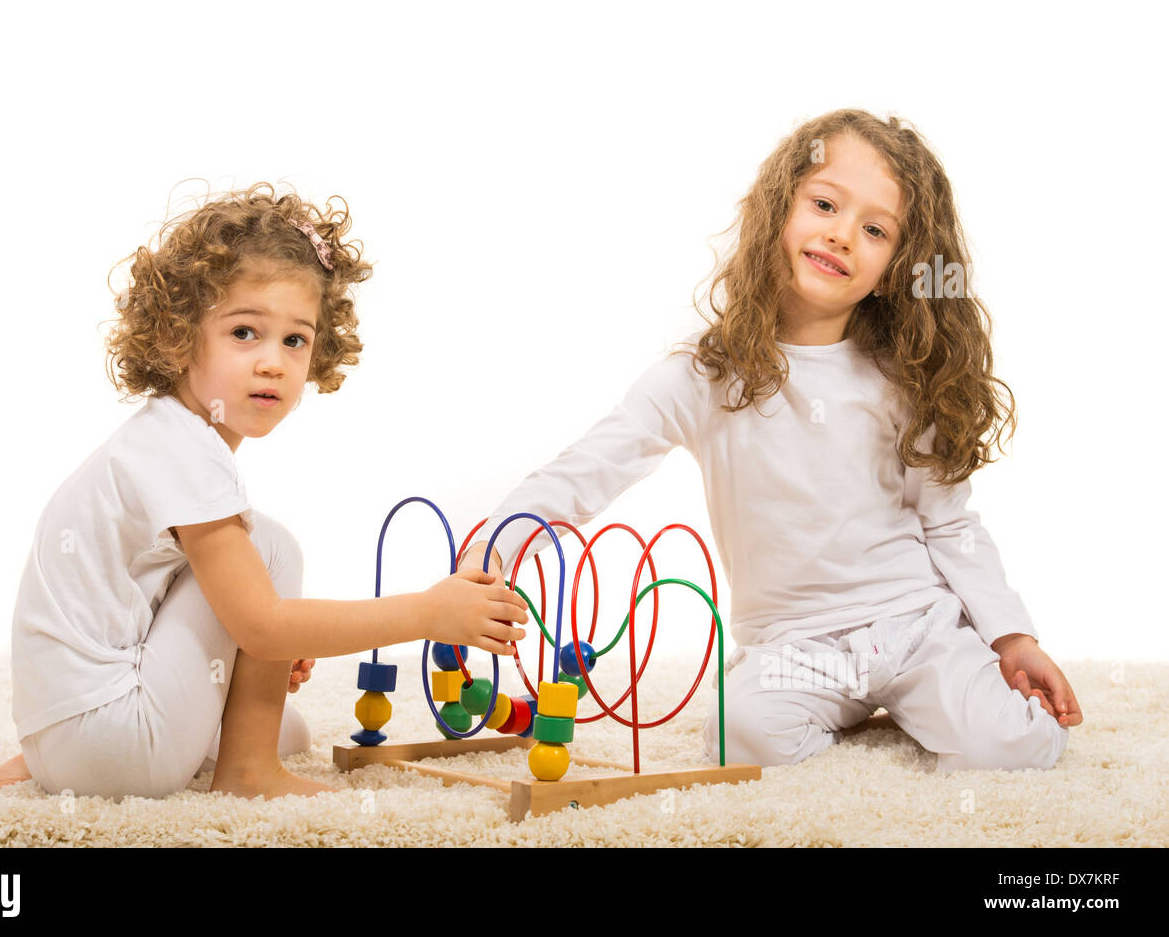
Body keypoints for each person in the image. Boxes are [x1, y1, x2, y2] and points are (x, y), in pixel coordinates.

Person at [459, 110, 1081, 771]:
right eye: (824, 204)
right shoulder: (703, 378)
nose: (842, 235)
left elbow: (949, 519)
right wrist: (491, 548)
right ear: (778, 209)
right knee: (741, 737)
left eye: (875, 229)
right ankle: (858, 718)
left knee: (1018, 743)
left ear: (897, 266)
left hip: (915, 627)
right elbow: (587, 468)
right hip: (793, 645)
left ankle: (919, 700)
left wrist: (1012, 636)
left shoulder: (903, 377)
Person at [0, 183, 527, 801]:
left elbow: (180, 605)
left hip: (65, 735)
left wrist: (242, 654)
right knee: (268, 546)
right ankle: (248, 774)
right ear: (179, 336)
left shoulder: (165, 439)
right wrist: (427, 613)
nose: (273, 362)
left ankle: (91, 760)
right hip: (113, 736)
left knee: (290, 729)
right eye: (245, 333)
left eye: (295, 340)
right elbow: (264, 625)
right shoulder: (184, 454)